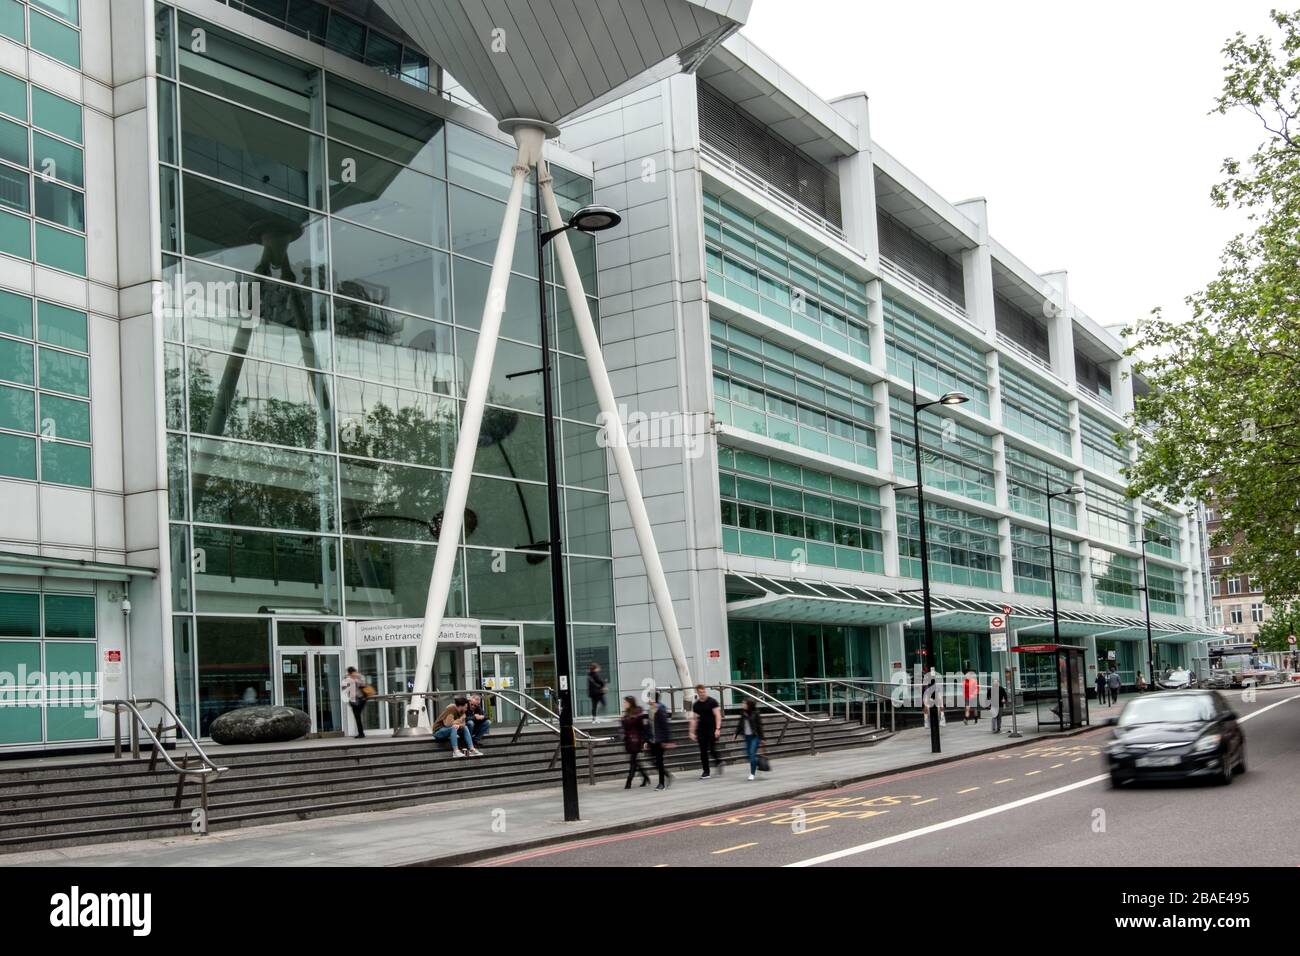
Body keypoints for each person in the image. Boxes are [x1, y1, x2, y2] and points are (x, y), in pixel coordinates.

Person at [688, 684, 724, 778]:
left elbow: (718, 715)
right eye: (700, 692)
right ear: (697, 693)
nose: (702, 694)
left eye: (703, 692)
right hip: (701, 730)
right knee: (703, 751)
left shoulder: (712, 702)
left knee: (712, 749)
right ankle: (706, 772)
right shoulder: (696, 705)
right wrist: (691, 732)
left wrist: (718, 729)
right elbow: (694, 719)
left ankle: (719, 761)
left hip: (712, 729)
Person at [620, 696, 651, 789]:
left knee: (632, 762)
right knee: (635, 762)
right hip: (628, 741)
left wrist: (645, 740)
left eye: (625, 702)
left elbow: (642, 728)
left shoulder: (637, 713)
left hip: (635, 741)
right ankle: (645, 777)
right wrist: (623, 720)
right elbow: (625, 728)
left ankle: (629, 781)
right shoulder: (626, 715)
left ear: (630, 703)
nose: (624, 704)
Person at [733, 697, 764, 781]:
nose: (742, 704)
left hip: (755, 737)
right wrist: (735, 733)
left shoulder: (756, 713)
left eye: (744, 703)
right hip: (747, 737)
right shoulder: (743, 713)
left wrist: (762, 738)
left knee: (751, 753)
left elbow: (759, 726)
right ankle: (756, 761)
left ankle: (752, 774)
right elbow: (740, 724)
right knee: (748, 755)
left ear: (749, 705)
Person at [648, 692, 674, 790]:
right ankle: (668, 775)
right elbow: (649, 726)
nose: (648, 699)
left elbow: (665, 725)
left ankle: (661, 783)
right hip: (652, 740)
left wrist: (667, 740)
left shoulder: (661, 709)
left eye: (650, 698)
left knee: (659, 761)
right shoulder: (651, 709)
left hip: (660, 740)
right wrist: (647, 740)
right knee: (653, 761)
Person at [342, 666, 367, 738]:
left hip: (360, 699)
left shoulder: (359, 677)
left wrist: (355, 679)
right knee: (357, 716)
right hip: (354, 700)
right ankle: (361, 733)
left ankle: (361, 733)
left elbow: (363, 685)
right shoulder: (348, 678)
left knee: (357, 716)